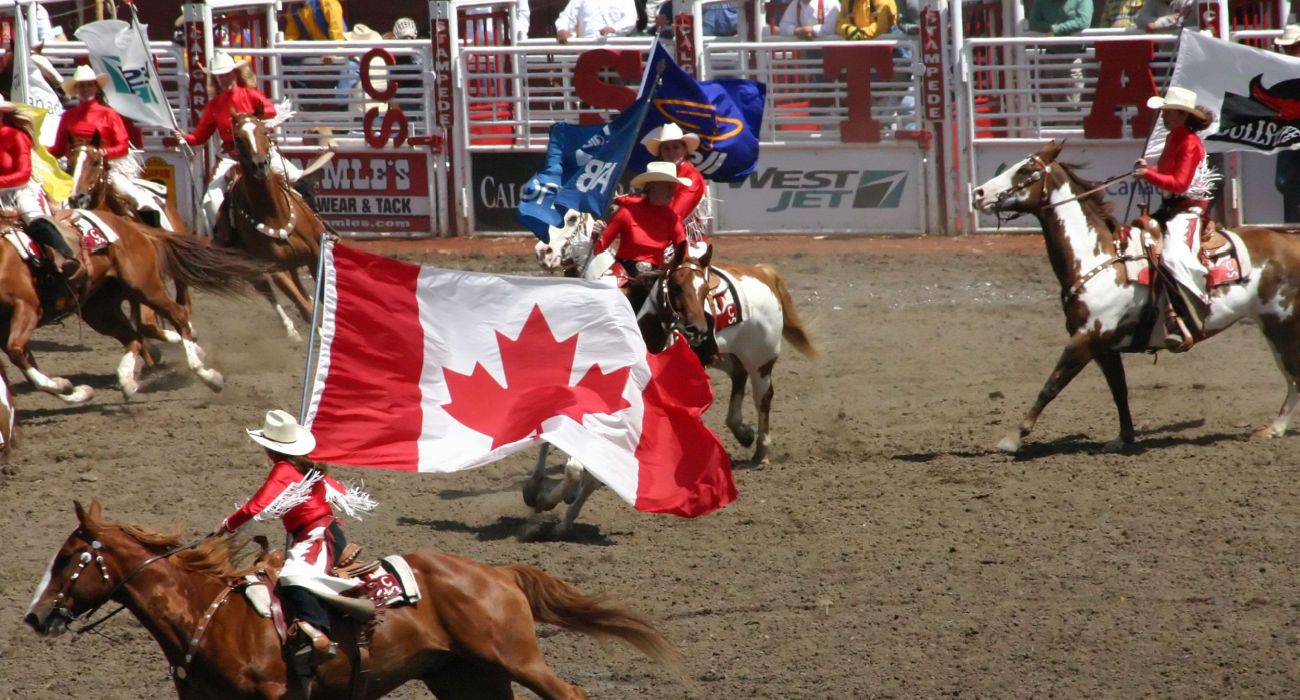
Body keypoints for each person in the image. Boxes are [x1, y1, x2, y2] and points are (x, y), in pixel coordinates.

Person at [212, 409, 375, 676]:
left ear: (268, 448)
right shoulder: (304, 466)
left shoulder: (284, 470)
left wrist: (227, 526)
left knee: (293, 576)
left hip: (317, 535)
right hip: (321, 532)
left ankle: (317, 633)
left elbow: (258, 506)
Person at [172, 52, 314, 234]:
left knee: (299, 178)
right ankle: (222, 238)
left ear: (234, 74)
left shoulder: (250, 94)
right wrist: (185, 137)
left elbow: (270, 110)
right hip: (231, 157)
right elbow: (199, 137)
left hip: (259, 152)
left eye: (227, 74)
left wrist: (251, 121)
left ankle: (316, 226)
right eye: (220, 76)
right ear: (215, 79)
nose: (224, 79)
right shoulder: (214, 106)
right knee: (212, 200)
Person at [1133, 86, 1217, 348]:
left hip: (1188, 209)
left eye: (1167, 112)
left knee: (1172, 256)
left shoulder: (1189, 142)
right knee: (1136, 241)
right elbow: (1168, 171)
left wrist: (1149, 175)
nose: (1163, 116)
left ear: (1182, 114)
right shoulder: (1175, 137)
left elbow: (1180, 184)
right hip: (1171, 208)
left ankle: (1186, 312)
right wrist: (1150, 169)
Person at [51, 66, 165, 228]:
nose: (85, 89)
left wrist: (102, 153)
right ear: (76, 89)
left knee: (137, 198)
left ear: (96, 88)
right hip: (74, 171)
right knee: (53, 204)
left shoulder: (108, 114)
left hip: (106, 169)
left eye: (89, 85)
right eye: (81, 86)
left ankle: (162, 232)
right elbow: (57, 149)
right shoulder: (68, 116)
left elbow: (123, 146)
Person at [0, 95, 79, 278]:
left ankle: (64, 255)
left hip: (20, 190)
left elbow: (23, 174)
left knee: (32, 216)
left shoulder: (16, 136)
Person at [593, 161, 689, 280]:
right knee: (606, 291)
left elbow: (684, 256)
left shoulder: (673, 219)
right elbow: (597, 248)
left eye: (673, 187)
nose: (672, 191)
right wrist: (596, 234)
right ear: (652, 186)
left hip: (655, 277)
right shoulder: (626, 213)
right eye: (668, 186)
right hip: (622, 274)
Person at [638, 123, 709, 248]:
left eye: (676, 147)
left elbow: (676, 213)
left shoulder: (692, 177)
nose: (671, 152)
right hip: (660, 235)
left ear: (685, 150)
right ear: (661, 153)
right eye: (666, 148)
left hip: (689, 243)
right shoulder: (660, 174)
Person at [1026, 0, 1092, 109]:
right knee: (1059, 101)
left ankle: (1070, 124)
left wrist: (1056, 29)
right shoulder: (1041, 2)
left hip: (1074, 56)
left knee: (1073, 101)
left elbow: (1083, 21)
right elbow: (1033, 23)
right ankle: (1065, 123)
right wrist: (1050, 28)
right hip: (1051, 55)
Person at [1274, 25, 1300, 223]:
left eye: (1292, 47)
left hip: (1290, 131)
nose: (1288, 52)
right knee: (1285, 181)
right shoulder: (1281, 71)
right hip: (1290, 131)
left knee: (1286, 180)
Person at [555, 0, 638, 42]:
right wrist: (562, 29)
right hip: (588, 50)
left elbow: (630, 18)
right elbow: (566, 16)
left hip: (615, 48)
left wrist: (614, 28)